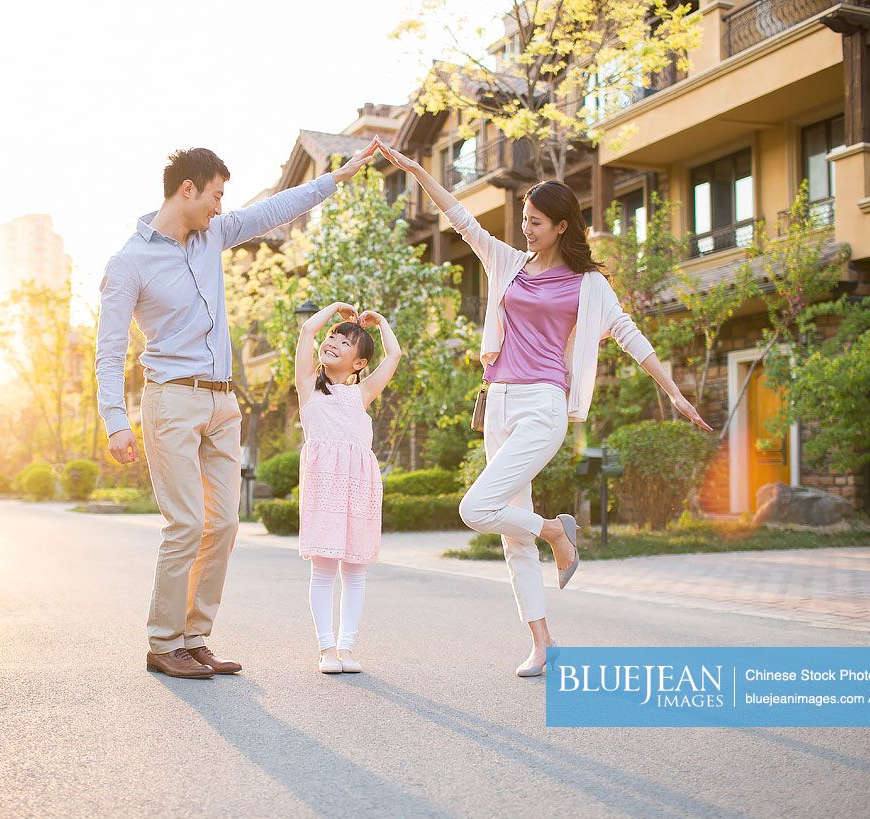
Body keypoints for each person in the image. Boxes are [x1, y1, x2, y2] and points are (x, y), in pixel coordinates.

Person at [377, 142, 711, 677]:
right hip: (499, 400)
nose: (526, 229)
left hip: (543, 405)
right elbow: (460, 218)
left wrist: (673, 392)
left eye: (535, 222)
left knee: (475, 508)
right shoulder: (508, 263)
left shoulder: (589, 285)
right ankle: (543, 643)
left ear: (561, 226)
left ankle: (556, 531)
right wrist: (417, 170)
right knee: (513, 535)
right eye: (524, 219)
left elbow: (628, 334)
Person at [97, 142, 379, 680]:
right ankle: (164, 642)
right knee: (186, 522)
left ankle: (194, 637)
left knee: (224, 524)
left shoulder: (213, 236)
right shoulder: (129, 262)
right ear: (187, 190)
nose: (220, 207)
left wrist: (336, 178)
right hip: (171, 399)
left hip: (222, 401)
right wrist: (115, 420)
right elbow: (109, 350)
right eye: (216, 195)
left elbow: (274, 209)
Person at [294, 303, 401, 674]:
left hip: (359, 487)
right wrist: (334, 310)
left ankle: (347, 648)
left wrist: (381, 322)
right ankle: (326, 650)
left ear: (359, 363)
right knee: (323, 570)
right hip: (324, 488)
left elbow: (395, 355)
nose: (333, 342)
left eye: (344, 342)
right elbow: (307, 330)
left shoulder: (362, 393)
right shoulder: (308, 386)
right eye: (333, 337)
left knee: (355, 571)